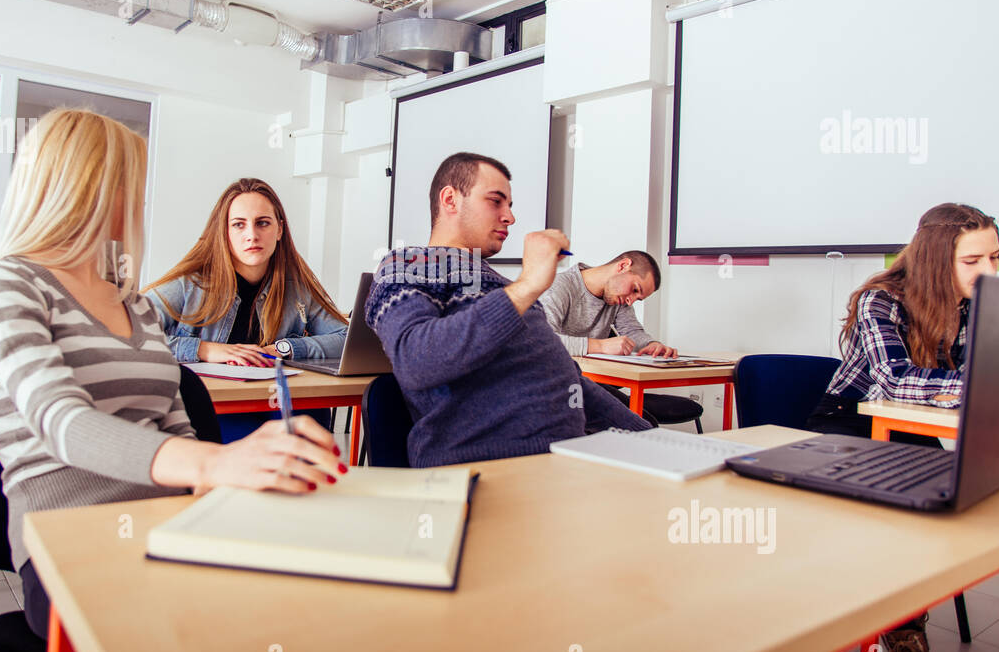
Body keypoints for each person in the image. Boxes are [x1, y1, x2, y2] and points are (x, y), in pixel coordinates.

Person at [0, 110, 344, 642]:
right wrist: (220, 462)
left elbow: (174, 423)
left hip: (166, 519)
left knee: (305, 601)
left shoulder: (131, 303)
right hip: (70, 534)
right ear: (84, 187)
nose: (139, 201)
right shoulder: (4, 287)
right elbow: (63, 424)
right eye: (130, 184)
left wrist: (229, 489)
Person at [807, 202, 999, 652]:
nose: (989, 271)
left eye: (994, 257)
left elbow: (983, 380)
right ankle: (910, 649)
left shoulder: (974, 306)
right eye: (972, 261)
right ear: (934, 260)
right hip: (847, 423)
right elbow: (896, 382)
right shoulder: (880, 300)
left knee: (964, 498)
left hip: (908, 431)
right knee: (903, 518)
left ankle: (900, 617)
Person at [365, 152, 651, 468]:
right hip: (489, 465)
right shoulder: (407, 265)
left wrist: (650, 440)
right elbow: (417, 360)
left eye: (510, 205)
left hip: (566, 459)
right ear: (450, 200)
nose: (510, 217)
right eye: (495, 201)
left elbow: (567, 379)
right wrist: (527, 286)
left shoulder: (503, 286)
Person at [144, 177, 348, 441]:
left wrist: (284, 348)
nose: (252, 235)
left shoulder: (296, 287)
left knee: (306, 424)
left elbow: (345, 338)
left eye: (263, 223)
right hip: (216, 407)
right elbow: (128, 336)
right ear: (224, 232)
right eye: (239, 224)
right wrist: (204, 349)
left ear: (279, 230)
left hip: (277, 401)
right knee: (268, 446)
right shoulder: (189, 285)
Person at [541, 251, 677, 358]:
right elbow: (542, 340)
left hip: (588, 377)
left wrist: (651, 345)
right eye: (635, 289)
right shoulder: (557, 287)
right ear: (623, 266)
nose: (630, 301)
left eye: (638, 298)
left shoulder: (618, 298)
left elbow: (631, 332)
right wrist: (600, 346)